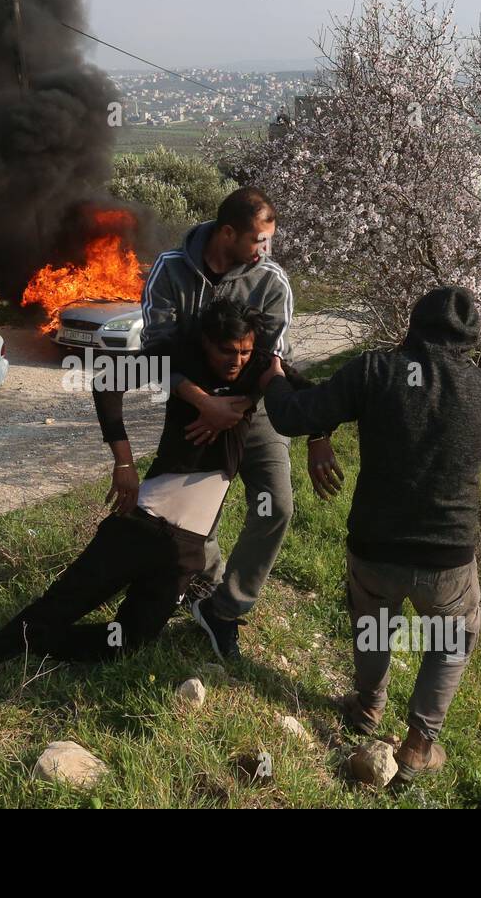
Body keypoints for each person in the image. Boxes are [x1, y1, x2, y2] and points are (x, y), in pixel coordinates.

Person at [259, 285, 481, 782]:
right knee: (452, 638)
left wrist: (274, 377)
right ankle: (418, 744)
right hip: (446, 559)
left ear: (411, 325)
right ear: (472, 341)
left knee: (374, 625)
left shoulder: (374, 372)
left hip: (374, 546)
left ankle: (367, 708)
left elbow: (293, 414)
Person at [0, 300, 327, 690]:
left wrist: (318, 438)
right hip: (142, 524)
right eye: (226, 351)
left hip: (186, 552)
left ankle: (36, 645)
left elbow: (309, 397)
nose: (235, 361)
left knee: (128, 642)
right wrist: (124, 462)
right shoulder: (179, 357)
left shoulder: (257, 366)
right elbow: (106, 382)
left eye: (244, 351)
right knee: (59, 605)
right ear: (205, 342)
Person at [140, 186, 338, 661]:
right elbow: (154, 353)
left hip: (257, 411)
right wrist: (204, 403)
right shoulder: (170, 271)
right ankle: (203, 583)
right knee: (190, 511)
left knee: (277, 508)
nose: (266, 251)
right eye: (258, 241)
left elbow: (273, 361)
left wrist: (236, 408)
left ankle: (225, 609)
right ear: (227, 233)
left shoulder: (271, 282)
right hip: (192, 411)